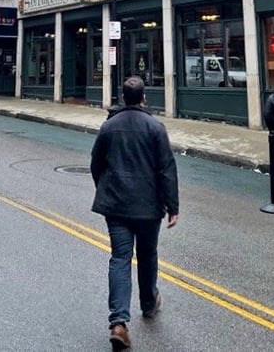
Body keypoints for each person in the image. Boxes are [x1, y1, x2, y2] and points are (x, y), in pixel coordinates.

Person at [90, 75, 179, 351]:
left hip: (116, 205)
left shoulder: (109, 127)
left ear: (123, 98)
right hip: (148, 206)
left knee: (120, 258)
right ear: (143, 98)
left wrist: (105, 188)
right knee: (147, 254)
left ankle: (118, 322)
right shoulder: (155, 127)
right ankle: (149, 303)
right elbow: (166, 169)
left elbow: (95, 163)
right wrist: (172, 206)